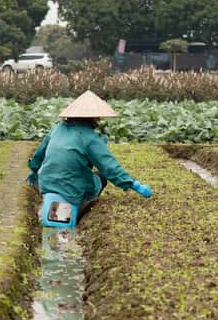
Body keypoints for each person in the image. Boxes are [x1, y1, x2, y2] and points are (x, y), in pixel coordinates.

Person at [27, 91, 152, 226]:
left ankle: (52, 211)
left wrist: (34, 171)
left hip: (47, 183)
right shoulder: (90, 138)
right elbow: (109, 166)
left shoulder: (57, 129)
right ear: (93, 118)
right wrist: (134, 185)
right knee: (101, 177)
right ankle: (80, 209)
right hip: (71, 188)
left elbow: (38, 156)